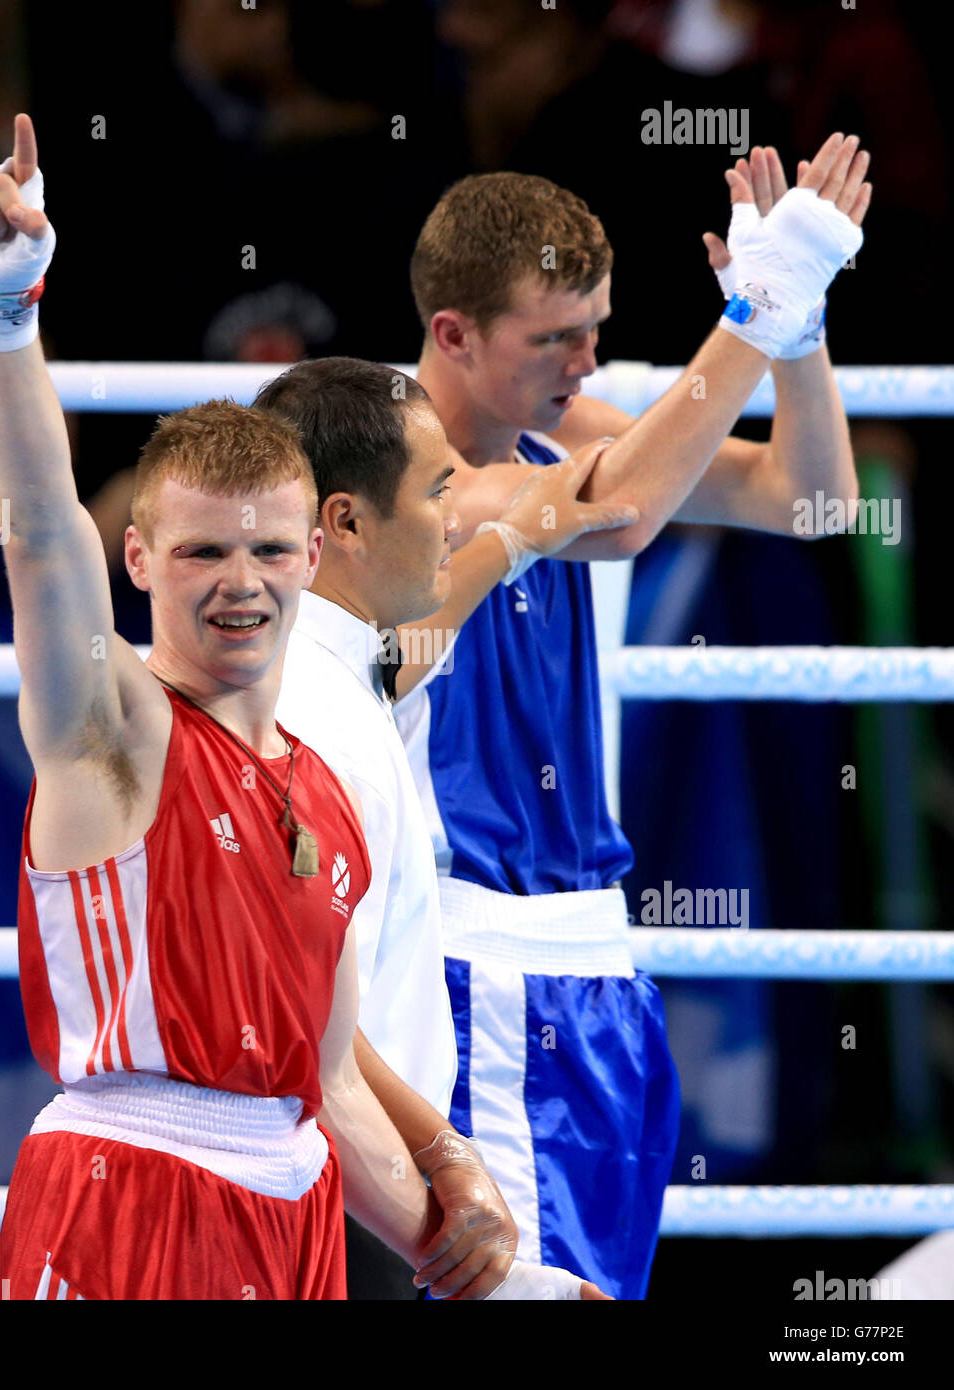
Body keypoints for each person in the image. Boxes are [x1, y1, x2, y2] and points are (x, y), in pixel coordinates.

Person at [0, 114, 608, 1301]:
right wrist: (9, 318)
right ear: (140, 561)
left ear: (316, 551)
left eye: (264, 549)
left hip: (295, 1210)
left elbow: (325, 1080)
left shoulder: (329, 796)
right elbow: (44, 540)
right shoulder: (118, 733)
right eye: (201, 551)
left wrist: (465, 1225)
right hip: (123, 1193)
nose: (237, 581)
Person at [392, 138, 870, 1298]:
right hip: (469, 956)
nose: (583, 356)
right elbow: (620, 515)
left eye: (593, 325)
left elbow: (811, 501)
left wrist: (795, 332)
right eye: (549, 337)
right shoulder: (383, 459)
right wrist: (753, 310)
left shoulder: (570, 428)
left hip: (590, 952)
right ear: (453, 332)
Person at [257, 355, 635, 1297]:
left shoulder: (334, 681)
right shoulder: (309, 720)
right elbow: (307, 1032)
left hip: (362, 1183)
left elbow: (397, 657)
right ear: (342, 524)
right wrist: (441, 1182)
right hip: (349, 1191)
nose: (456, 515)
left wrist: (511, 542)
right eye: (440, 493)